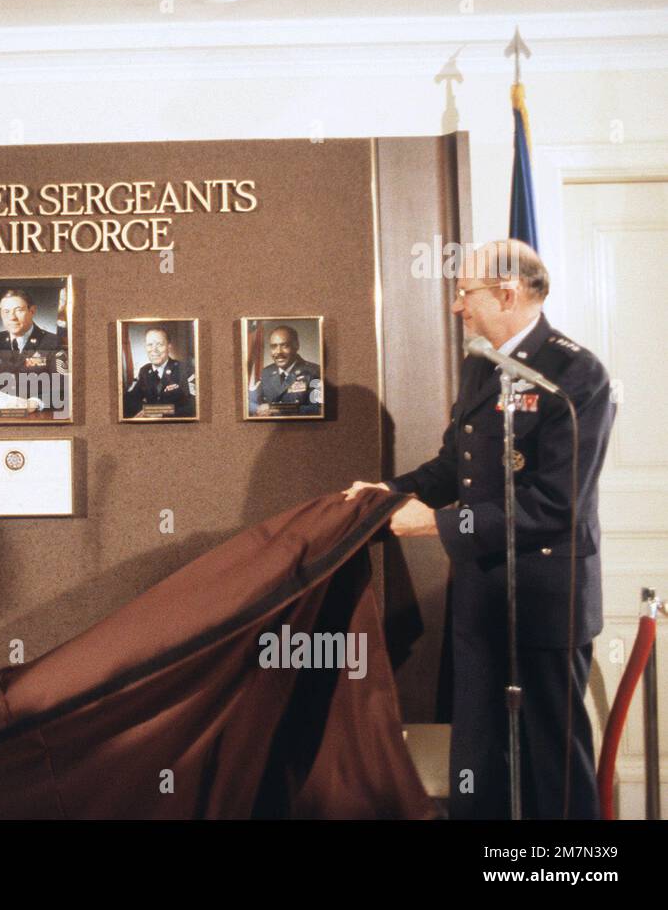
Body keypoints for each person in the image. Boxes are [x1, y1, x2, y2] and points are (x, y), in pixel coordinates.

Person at [346, 239, 615, 819]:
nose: (457, 306)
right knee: (480, 749)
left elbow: (555, 504)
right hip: (481, 592)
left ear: (507, 293)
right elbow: (453, 467)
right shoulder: (482, 363)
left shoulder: (577, 375)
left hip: (545, 596)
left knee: (550, 756)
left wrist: (438, 526)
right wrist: (388, 494)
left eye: (465, 292)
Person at [0, 288, 67, 413]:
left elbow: (64, 389)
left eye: (19, 310)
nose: (12, 317)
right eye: (6, 311)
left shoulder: (52, 342)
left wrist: (35, 403)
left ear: (32, 311)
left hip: (37, 417)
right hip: (0, 415)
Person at [123, 326, 195, 418]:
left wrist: (160, 412)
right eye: (150, 345)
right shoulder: (144, 371)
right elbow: (128, 400)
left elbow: (194, 406)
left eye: (160, 344)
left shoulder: (185, 369)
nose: (154, 349)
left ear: (169, 347)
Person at [252, 325, 322, 416]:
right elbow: (250, 401)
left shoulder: (314, 372)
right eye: (273, 346)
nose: (278, 352)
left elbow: (318, 409)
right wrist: (257, 408)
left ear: (296, 345)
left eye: (284, 345)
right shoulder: (266, 372)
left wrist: (277, 409)